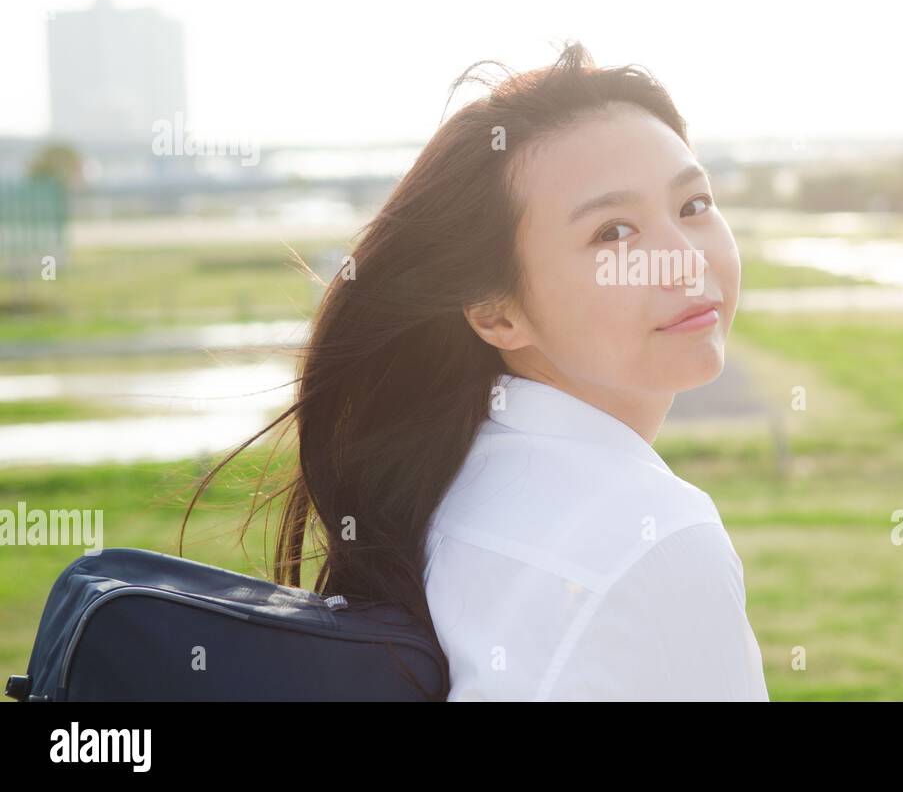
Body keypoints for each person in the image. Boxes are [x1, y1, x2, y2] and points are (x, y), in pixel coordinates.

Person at [185, 40, 768, 701]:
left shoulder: (458, 481)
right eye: (614, 233)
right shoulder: (659, 536)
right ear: (496, 313)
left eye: (693, 206)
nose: (685, 261)